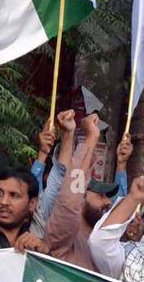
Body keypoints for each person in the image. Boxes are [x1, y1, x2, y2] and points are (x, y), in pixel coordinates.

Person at [43, 110, 110, 271]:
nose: (108, 202)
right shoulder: (62, 238)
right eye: (101, 195)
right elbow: (71, 195)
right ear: (82, 197)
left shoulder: (107, 249)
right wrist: (91, 138)